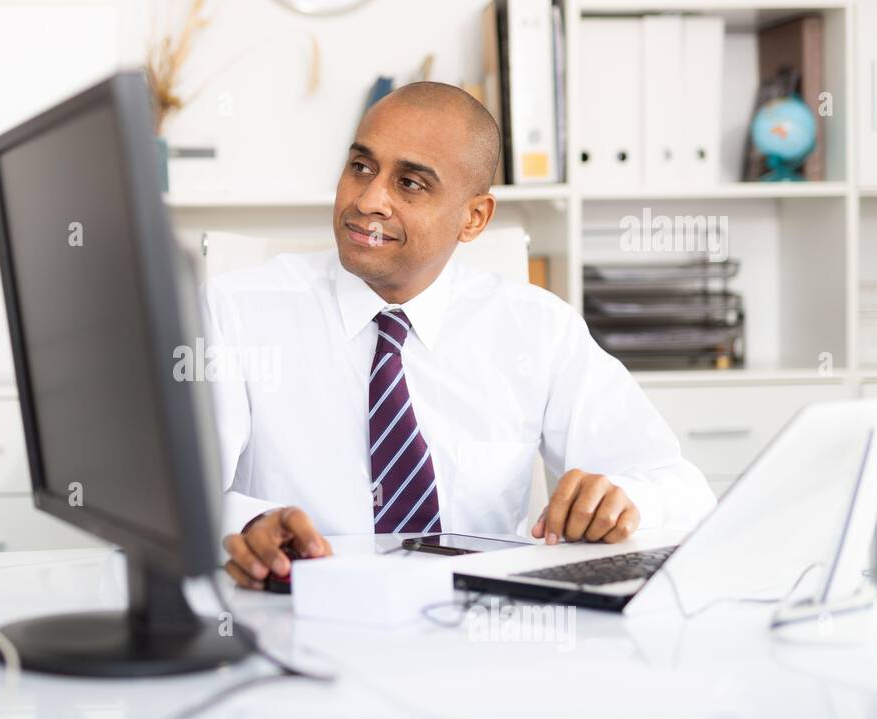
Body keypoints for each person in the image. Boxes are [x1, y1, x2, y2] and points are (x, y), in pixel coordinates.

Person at [207, 82, 717, 590]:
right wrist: (250, 524)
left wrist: (623, 501)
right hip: (299, 617)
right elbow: (170, 492)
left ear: (473, 218)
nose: (369, 200)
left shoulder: (538, 328)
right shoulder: (236, 311)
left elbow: (683, 488)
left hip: (478, 630)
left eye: (410, 184)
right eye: (361, 167)